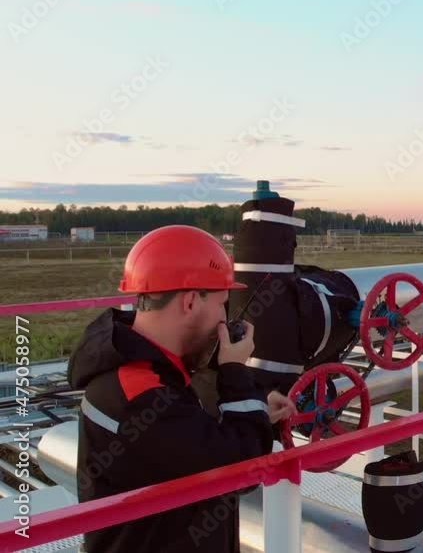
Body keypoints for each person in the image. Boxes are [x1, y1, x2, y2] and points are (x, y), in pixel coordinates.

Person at [68, 225, 296, 553]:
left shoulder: (139, 370)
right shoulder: (142, 398)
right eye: (221, 305)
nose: (223, 320)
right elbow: (242, 469)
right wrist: (234, 370)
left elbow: (192, 437)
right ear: (190, 301)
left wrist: (255, 406)